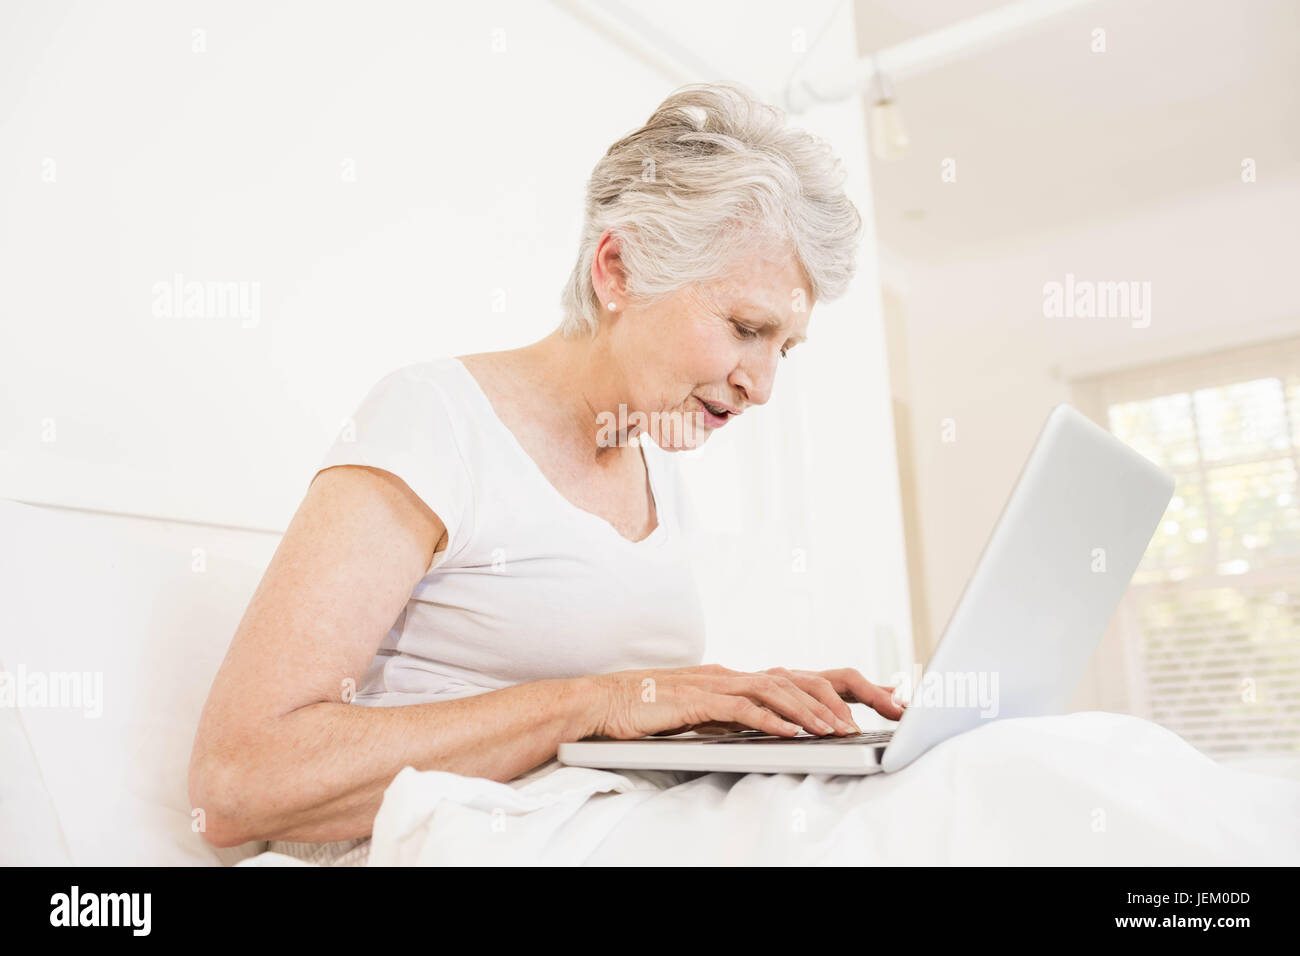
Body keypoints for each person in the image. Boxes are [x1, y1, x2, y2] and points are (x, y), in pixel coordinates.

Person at [189, 83, 904, 850]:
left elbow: (617, 713)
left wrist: (739, 711)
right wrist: (604, 703)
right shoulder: (434, 421)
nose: (760, 386)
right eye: (744, 328)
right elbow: (238, 783)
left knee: (926, 789)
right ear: (619, 270)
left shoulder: (657, 475)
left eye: (782, 349)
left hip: (608, 829)